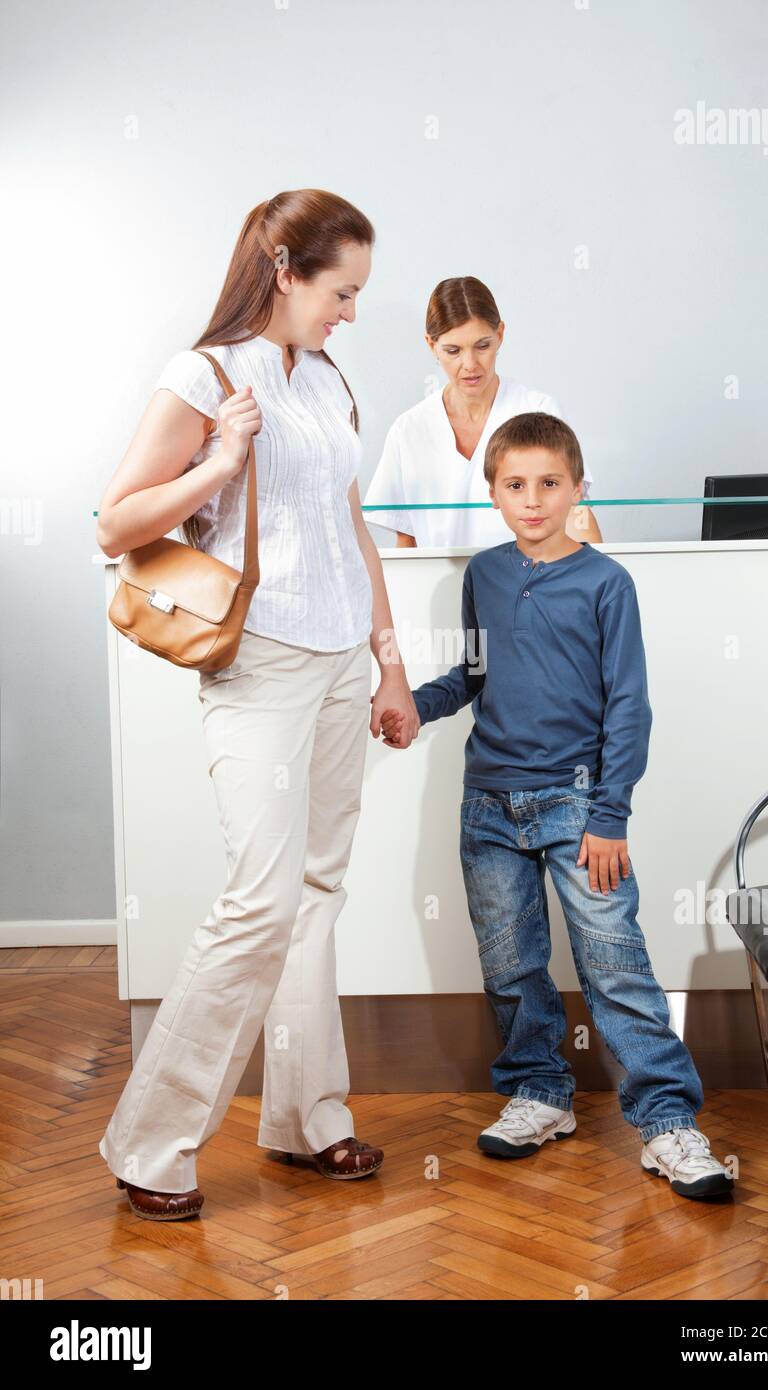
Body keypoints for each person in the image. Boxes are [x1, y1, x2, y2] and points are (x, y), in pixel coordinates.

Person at [95, 189, 419, 1220]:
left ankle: (305, 1113)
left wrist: (389, 661)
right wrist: (223, 463)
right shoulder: (205, 374)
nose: (351, 312)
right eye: (341, 290)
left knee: (317, 890)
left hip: (335, 665)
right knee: (262, 900)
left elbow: (349, 527)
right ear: (285, 273)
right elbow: (116, 521)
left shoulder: (326, 380)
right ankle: (151, 1143)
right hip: (260, 662)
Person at [379, 412, 734, 1200]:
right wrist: (415, 708)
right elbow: (470, 678)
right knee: (511, 964)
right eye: (515, 486)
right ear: (493, 492)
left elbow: (629, 708)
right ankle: (541, 1094)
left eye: (549, 484)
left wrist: (611, 816)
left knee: (615, 966)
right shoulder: (486, 575)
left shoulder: (607, 583)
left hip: (578, 807)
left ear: (578, 488)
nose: (532, 500)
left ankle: (668, 1120)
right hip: (489, 806)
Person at [362, 276, 602, 548]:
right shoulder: (409, 430)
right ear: (431, 345)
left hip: (531, 584)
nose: (470, 364)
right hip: (442, 587)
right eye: (453, 350)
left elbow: (576, 513)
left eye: (482, 346)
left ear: (500, 335)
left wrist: (598, 581)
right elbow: (408, 540)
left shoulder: (538, 411)